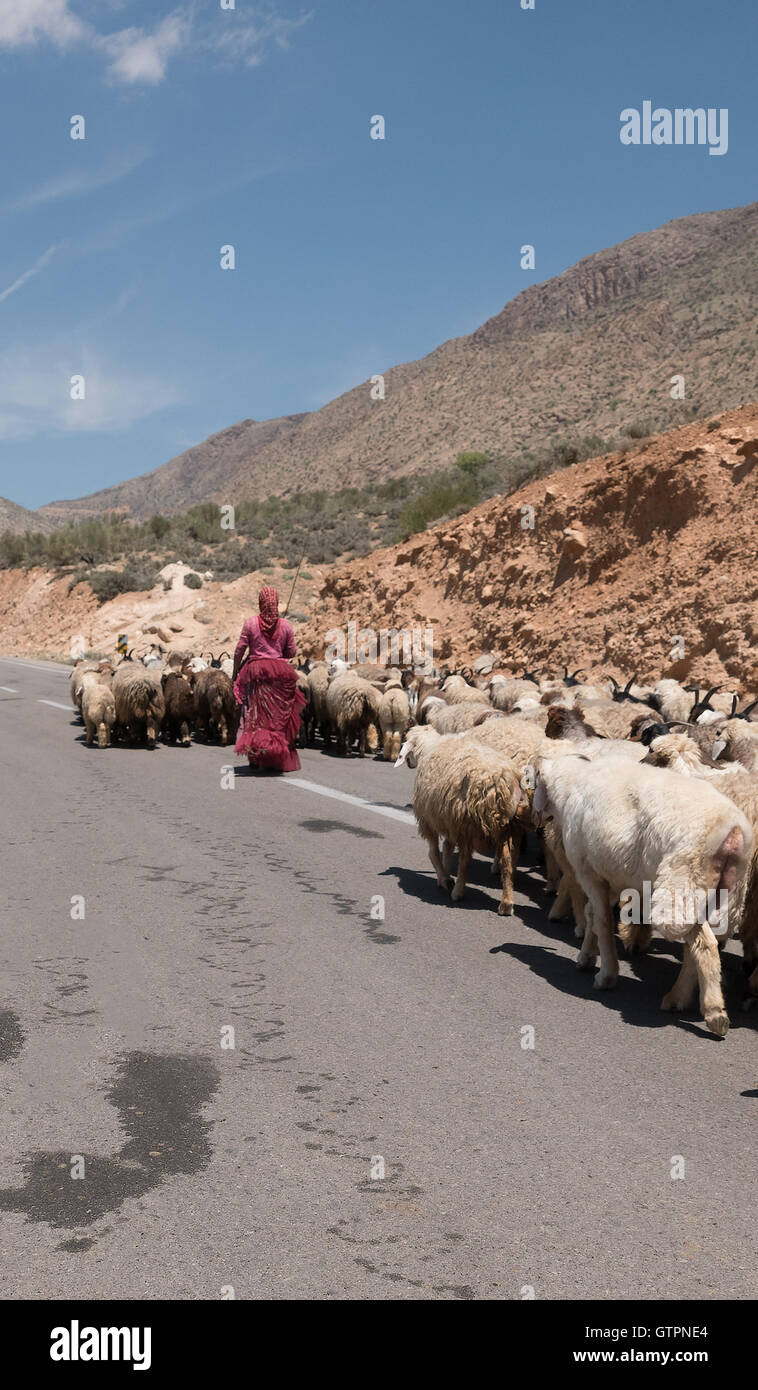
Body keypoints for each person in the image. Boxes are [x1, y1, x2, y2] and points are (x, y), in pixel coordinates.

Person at [232, 586, 305, 772]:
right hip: (280, 674)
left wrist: (235, 671)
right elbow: (291, 651)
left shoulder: (250, 624)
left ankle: (254, 755)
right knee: (277, 716)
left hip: (255, 672)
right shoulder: (286, 625)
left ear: (260, 603)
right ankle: (274, 754)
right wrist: (279, 651)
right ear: (277, 603)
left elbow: (240, 649)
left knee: (253, 715)